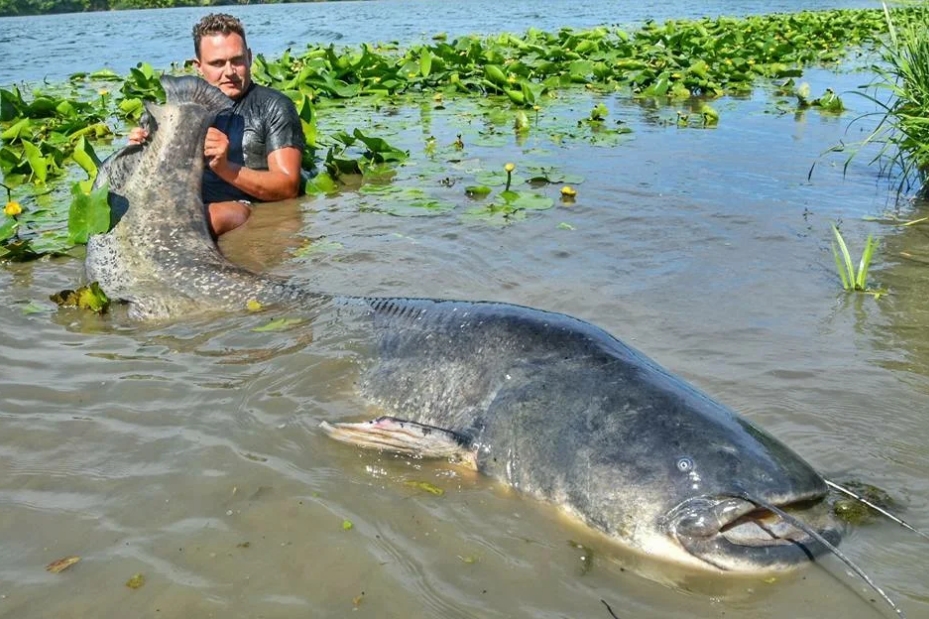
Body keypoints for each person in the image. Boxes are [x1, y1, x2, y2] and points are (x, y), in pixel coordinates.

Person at [131, 13, 305, 237]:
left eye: (237, 60)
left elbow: (288, 186)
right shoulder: (174, 114)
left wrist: (224, 167)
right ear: (198, 66)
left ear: (250, 57)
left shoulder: (274, 106)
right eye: (217, 63)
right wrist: (138, 153)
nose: (230, 72)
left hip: (248, 209)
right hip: (191, 206)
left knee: (208, 218)